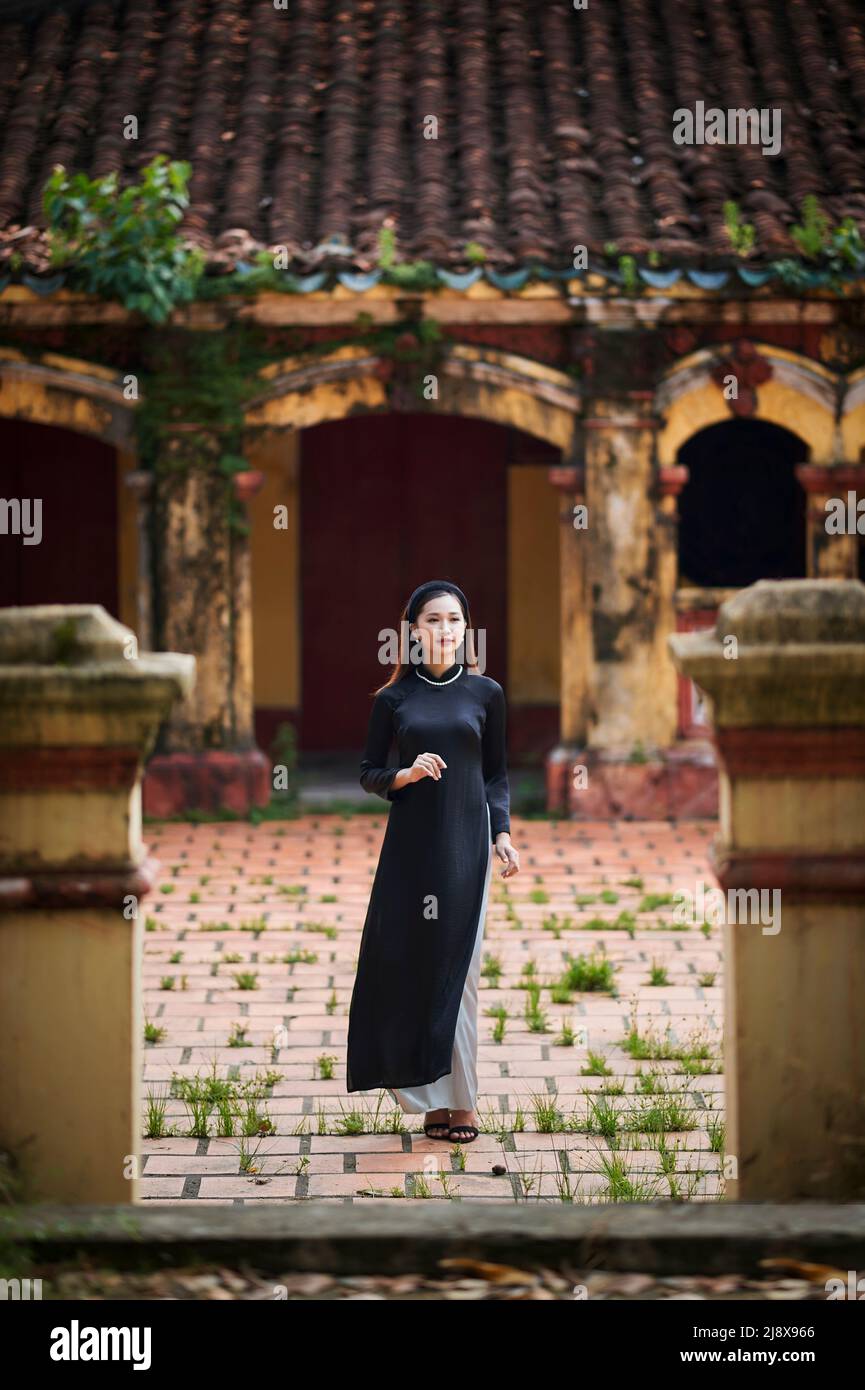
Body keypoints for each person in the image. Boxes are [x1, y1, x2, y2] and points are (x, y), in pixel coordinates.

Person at [346, 579, 520, 1144]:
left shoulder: (486, 693)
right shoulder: (393, 700)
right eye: (433, 621)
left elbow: (494, 775)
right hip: (411, 852)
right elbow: (371, 773)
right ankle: (432, 1100)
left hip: (465, 848)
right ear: (414, 632)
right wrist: (408, 774)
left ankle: (462, 1103)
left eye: (453, 620)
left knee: (460, 975)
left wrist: (503, 834)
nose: (444, 630)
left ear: (465, 630)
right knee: (415, 968)